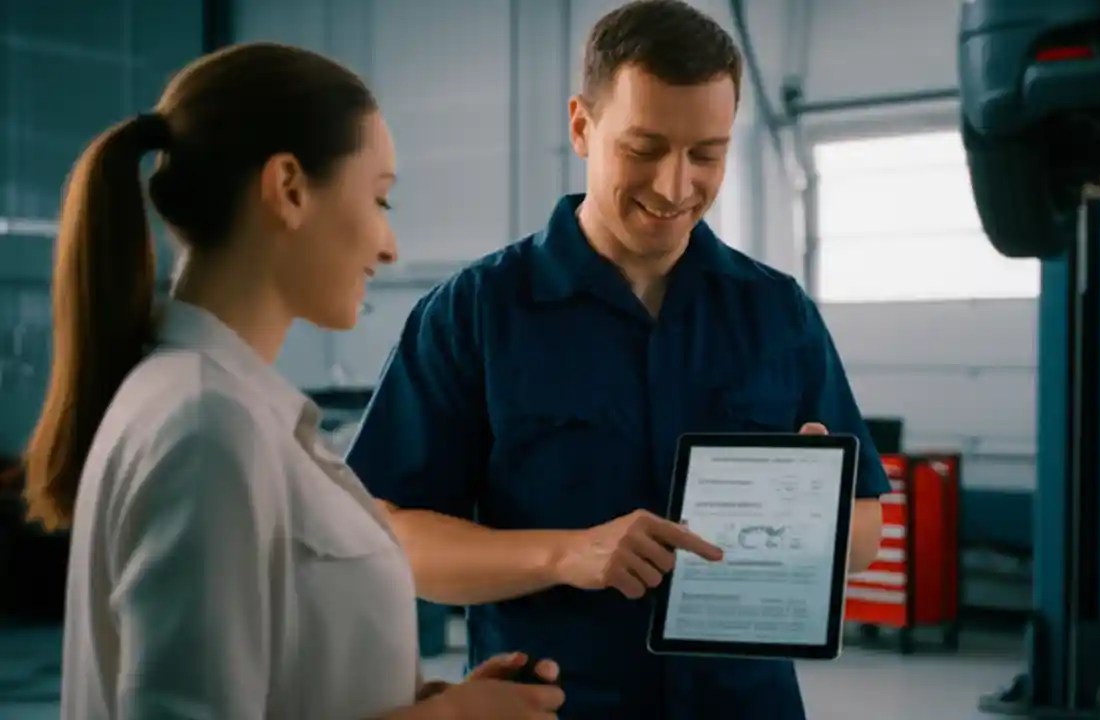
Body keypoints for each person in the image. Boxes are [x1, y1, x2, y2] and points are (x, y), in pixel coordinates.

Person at [348, 1, 890, 718]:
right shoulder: (474, 314)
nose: (675, 186)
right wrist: (567, 554)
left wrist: (808, 509)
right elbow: (392, 536)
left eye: (707, 154)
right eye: (644, 148)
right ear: (581, 126)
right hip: (558, 705)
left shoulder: (776, 312)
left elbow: (864, 534)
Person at [23, 41, 563, 720]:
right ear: (288, 189)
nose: (390, 245)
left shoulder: (224, 410)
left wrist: (428, 700)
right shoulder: (203, 428)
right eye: (380, 199)